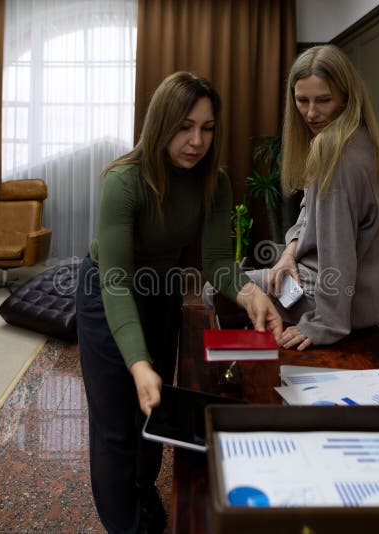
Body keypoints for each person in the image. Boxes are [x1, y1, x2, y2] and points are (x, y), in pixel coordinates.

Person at [76, 71, 283, 534]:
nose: (197, 141)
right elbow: (115, 281)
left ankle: (143, 491)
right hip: (107, 289)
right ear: (161, 123)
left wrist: (252, 293)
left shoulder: (215, 181)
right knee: (115, 425)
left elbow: (216, 262)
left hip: (161, 288)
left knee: (153, 407)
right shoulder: (124, 181)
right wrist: (136, 361)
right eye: (185, 127)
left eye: (208, 129)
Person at [251, 44, 379, 351]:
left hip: (330, 299)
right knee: (235, 283)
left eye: (323, 100)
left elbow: (337, 249)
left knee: (216, 291)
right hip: (345, 293)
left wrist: (325, 324)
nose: (311, 112)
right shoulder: (359, 138)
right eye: (302, 101)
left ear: (346, 96)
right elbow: (309, 210)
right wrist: (289, 252)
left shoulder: (335, 150)